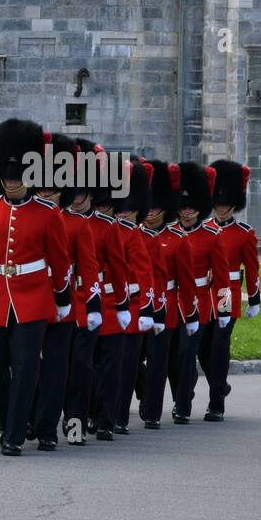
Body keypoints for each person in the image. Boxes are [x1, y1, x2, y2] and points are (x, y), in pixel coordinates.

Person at [0, 117, 72, 457]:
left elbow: (60, 261)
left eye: (18, 177)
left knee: (25, 367)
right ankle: (9, 418)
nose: (12, 183)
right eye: (7, 177)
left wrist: (62, 298)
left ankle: (15, 434)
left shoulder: (48, 214)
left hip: (33, 298)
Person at [32, 133, 101, 450]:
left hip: (67, 301)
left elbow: (88, 269)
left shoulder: (76, 223)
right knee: (30, 364)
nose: (46, 192)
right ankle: (34, 417)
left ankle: (73, 422)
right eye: (42, 186)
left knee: (73, 368)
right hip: (29, 298)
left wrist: (93, 305)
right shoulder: (27, 216)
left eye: (52, 188)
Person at [169, 161, 230, 425]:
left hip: (199, 302)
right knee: (173, 358)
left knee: (188, 354)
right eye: (182, 207)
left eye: (192, 207)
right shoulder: (169, 233)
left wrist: (224, 309)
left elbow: (222, 276)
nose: (186, 212)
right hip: (171, 302)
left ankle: (184, 405)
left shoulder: (212, 236)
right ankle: (181, 395)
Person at [138, 160, 198, 429]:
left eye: (156, 208)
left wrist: (191, 314)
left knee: (161, 362)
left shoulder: (178, 240)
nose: (150, 213)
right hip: (136, 305)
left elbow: (186, 281)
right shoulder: (132, 235)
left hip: (167, 306)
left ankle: (152, 411)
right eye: (147, 207)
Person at [201, 159, 261, 422]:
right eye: (218, 204)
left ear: (235, 204)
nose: (221, 209)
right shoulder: (204, 230)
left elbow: (253, 267)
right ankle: (220, 383)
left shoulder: (244, 233)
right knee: (202, 347)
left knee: (218, 346)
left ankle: (216, 404)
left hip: (228, 295)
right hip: (205, 294)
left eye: (226, 205)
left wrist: (255, 299)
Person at [88, 145, 134, 442]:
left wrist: (123, 304)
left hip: (109, 303)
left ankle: (106, 418)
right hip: (83, 302)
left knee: (109, 368)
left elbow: (119, 270)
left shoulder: (110, 228)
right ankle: (87, 414)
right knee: (83, 367)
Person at [113, 157, 157, 434]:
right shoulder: (103, 229)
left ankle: (119, 416)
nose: (124, 213)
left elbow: (147, 277)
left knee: (127, 365)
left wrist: (148, 310)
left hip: (130, 305)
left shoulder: (138, 237)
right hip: (105, 303)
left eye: (130, 209)